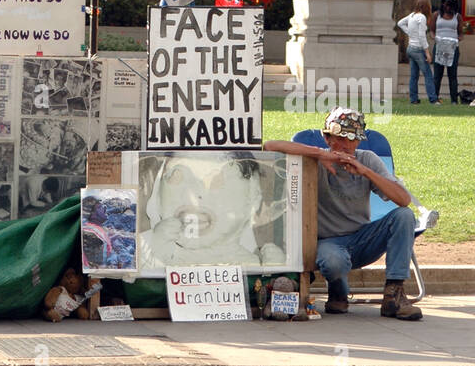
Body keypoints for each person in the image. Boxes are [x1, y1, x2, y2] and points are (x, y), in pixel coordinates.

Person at [265, 107, 422, 319]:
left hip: (363, 238)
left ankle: (394, 294)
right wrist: (320, 154)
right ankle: (338, 293)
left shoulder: (367, 159)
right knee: (333, 260)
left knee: (404, 216)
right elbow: (269, 145)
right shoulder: (313, 160)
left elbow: (403, 200)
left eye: (353, 140)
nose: (347, 146)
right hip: (328, 243)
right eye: (340, 139)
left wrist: (366, 172)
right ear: (327, 138)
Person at [138, 152, 285, 271]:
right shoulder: (152, 247)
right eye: (177, 176)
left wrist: (271, 270)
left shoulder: (246, 260)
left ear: (252, 196)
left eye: (215, 180)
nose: (195, 194)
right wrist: (155, 246)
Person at [397, 0, 439, 103]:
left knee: (414, 76)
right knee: (428, 75)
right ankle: (433, 100)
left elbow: (400, 23)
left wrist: (410, 33)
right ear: (426, 6)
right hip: (418, 50)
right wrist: (427, 53)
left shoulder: (412, 15)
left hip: (410, 49)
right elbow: (421, 36)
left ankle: (413, 99)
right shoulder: (422, 17)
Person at [430, 0, 461, 104]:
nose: (448, 8)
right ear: (443, 4)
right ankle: (435, 98)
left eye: (450, 6)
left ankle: (454, 100)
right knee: (437, 75)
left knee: (452, 75)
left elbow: (460, 33)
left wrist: (457, 40)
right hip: (440, 47)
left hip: (453, 49)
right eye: (446, 5)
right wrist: (435, 38)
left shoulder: (457, 16)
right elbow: (432, 31)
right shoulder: (436, 15)